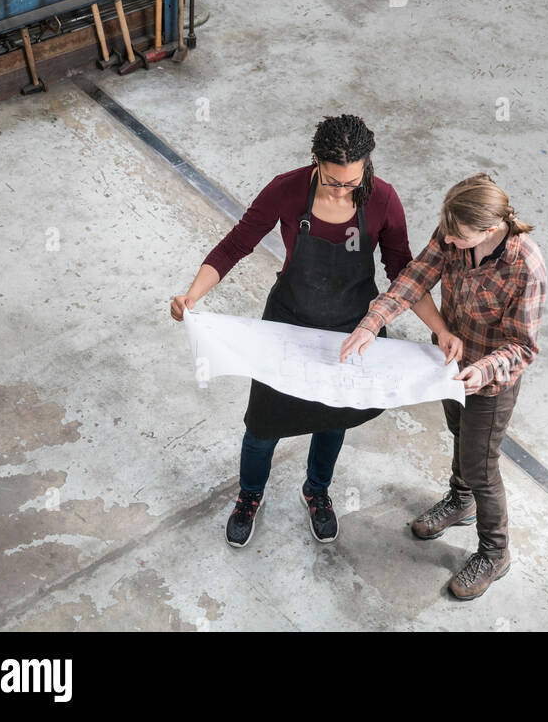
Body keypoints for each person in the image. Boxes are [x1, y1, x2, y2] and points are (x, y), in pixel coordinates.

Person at [171, 115, 451, 549]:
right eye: (333, 181)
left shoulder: (383, 201)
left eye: (352, 182)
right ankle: (250, 495)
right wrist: (192, 297)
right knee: (264, 424)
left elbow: (403, 274)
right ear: (316, 161)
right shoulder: (286, 189)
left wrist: (440, 330)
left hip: (350, 329)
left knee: (331, 415)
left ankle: (316, 490)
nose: (343, 190)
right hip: (288, 322)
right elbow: (235, 245)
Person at [340, 173, 547, 601]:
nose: (448, 241)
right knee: (459, 436)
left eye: (458, 236)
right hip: (449, 364)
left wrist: (485, 369)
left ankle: (495, 551)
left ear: (490, 230)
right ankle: (460, 501)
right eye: (446, 231)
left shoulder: (525, 265)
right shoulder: (455, 228)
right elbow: (417, 276)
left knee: (482, 466)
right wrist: (372, 321)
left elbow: (524, 347)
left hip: (490, 380)